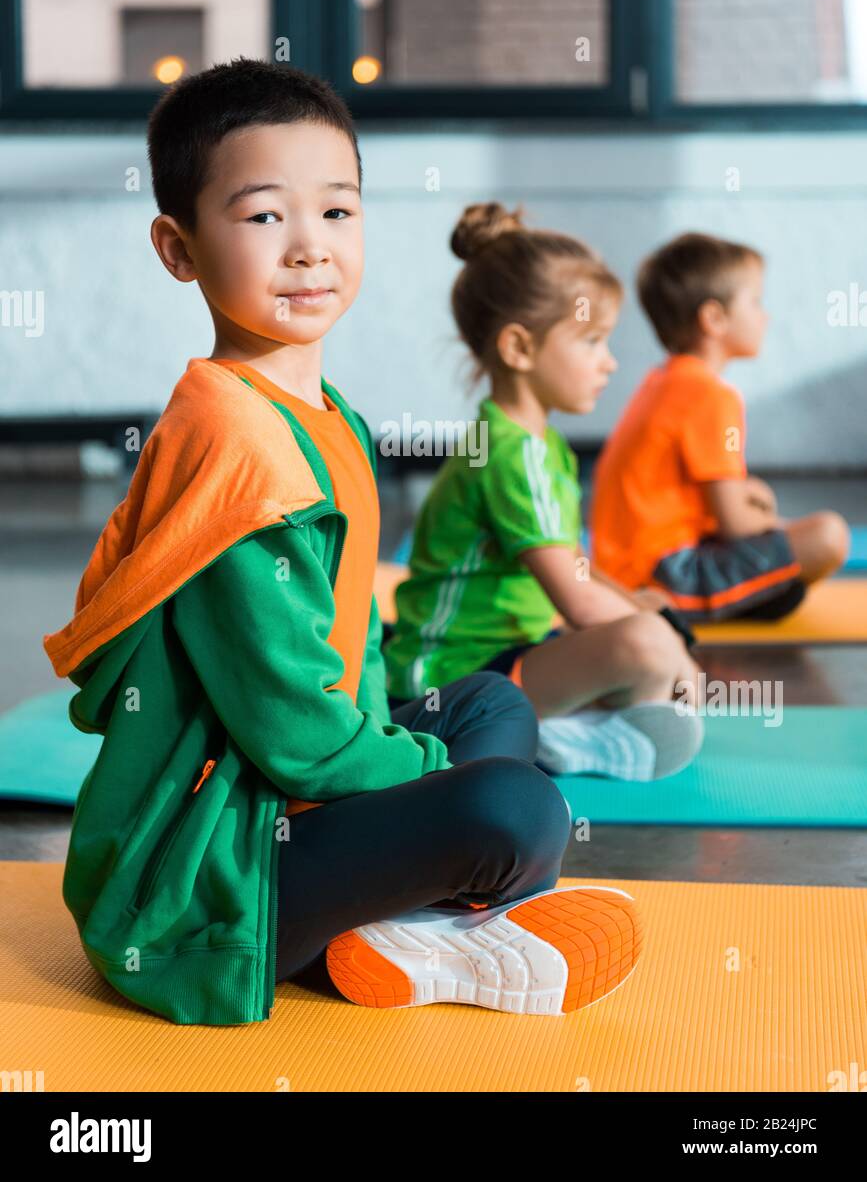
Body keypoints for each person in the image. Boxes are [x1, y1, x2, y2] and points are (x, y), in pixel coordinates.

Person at [42, 60, 640, 1025]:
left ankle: (403, 925)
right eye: (264, 216)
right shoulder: (232, 449)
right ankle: (436, 920)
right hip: (217, 871)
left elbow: (349, 654)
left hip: (310, 799)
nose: (308, 249)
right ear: (178, 247)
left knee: (487, 699)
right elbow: (295, 737)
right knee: (518, 810)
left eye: (337, 213)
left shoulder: (334, 420)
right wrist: (438, 779)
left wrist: (417, 755)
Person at [383, 202, 703, 783]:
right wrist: (664, 643)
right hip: (451, 684)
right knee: (645, 647)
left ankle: (551, 728)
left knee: (646, 619)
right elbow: (579, 604)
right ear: (519, 349)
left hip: (503, 658)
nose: (609, 363)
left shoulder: (534, 442)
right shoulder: (513, 453)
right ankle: (552, 737)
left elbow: (573, 567)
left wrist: (646, 609)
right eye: (592, 341)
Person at [591, 232, 850, 624]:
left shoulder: (664, 381)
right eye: (756, 302)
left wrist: (752, 499)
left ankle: (754, 592)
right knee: (829, 535)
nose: (765, 316)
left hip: (628, 568)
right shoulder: (711, 396)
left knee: (764, 502)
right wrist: (774, 524)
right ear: (714, 318)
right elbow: (735, 523)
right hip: (660, 577)